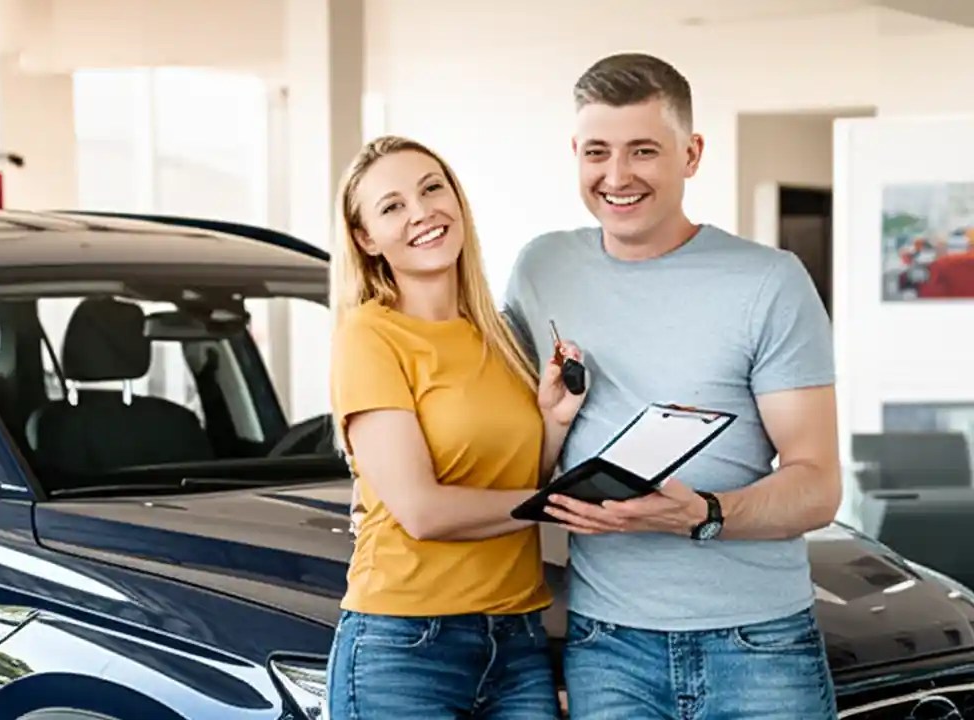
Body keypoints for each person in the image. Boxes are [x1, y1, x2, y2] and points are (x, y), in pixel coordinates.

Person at [502, 53, 843, 719]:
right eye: (597, 151)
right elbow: (515, 446)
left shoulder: (769, 282)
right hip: (607, 646)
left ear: (691, 154)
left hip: (758, 642)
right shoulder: (542, 267)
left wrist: (702, 515)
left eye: (644, 151)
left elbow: (817, 484)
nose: (617, 176)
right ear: (575, 153)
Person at [325, 134, 585, 719]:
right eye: (392, 207)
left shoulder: (497, 333)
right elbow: (423, 510)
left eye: (431, 188)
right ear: (367, 239)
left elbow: (511, 482)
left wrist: (552, 420)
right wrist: (562, 504)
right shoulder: (370, 336)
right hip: (407, 645)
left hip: (517, 640)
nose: (422, 213)